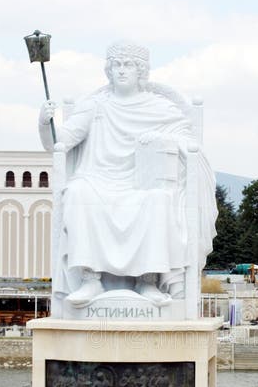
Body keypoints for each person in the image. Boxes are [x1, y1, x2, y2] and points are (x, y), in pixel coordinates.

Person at [39, 42, 216, 308]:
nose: (122, 71)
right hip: (98, 179)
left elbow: (189, 143)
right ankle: (90, 279)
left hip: (141, 184)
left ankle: (148, 280)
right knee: (77, 192)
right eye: (117, 65)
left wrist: (162, 138)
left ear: (141, 70)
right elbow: (58, 143)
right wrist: (45, 122)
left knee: (159, 199)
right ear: (109, 70)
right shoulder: (94, 106)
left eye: (129, 65)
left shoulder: (159, 108)